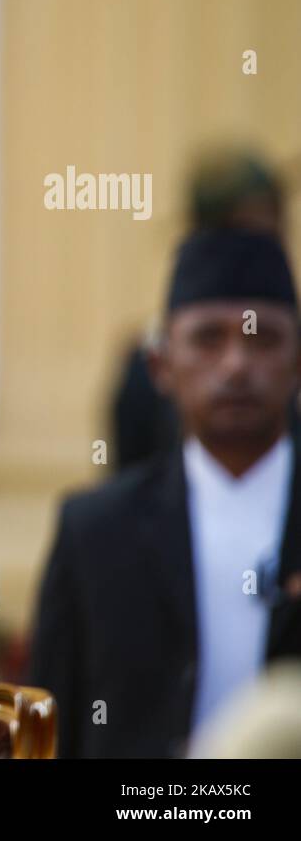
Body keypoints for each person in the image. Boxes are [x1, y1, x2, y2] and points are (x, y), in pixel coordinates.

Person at [27, 228, 301, 757]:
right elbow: (49, 727)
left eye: (262, 339)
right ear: (161, 364)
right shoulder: (96, 530)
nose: (236, 365)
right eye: (207, 339)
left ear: (297, 362)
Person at [110, 149, 289, 469]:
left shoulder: (287, 345)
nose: (236, 365)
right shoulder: (146, 365)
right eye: (209, 339)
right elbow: (129, 493)